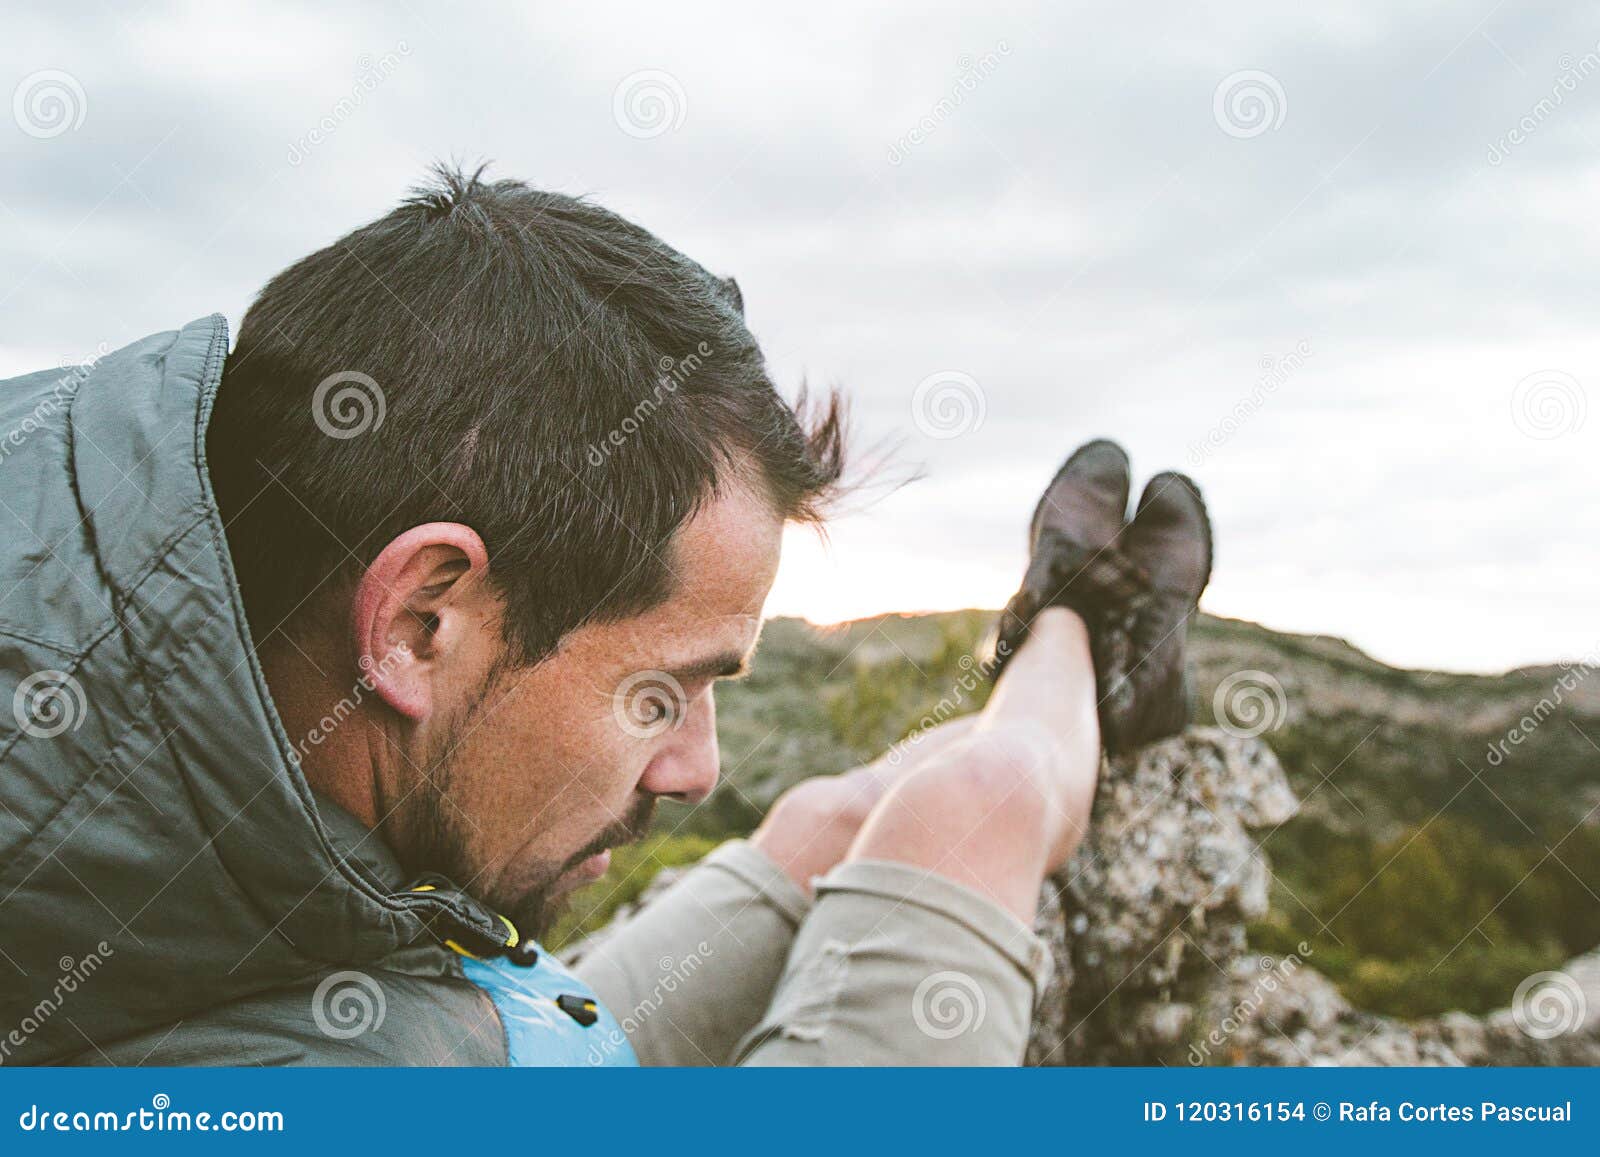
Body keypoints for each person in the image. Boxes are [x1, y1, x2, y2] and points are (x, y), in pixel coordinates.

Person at [0, 166, 1208, 1066]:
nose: (696, 766)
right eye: (661, 691)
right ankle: (1080, 636)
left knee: (824, 817)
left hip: (469, 1031)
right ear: (419, 621)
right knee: (971, 807)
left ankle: (1061, 626)